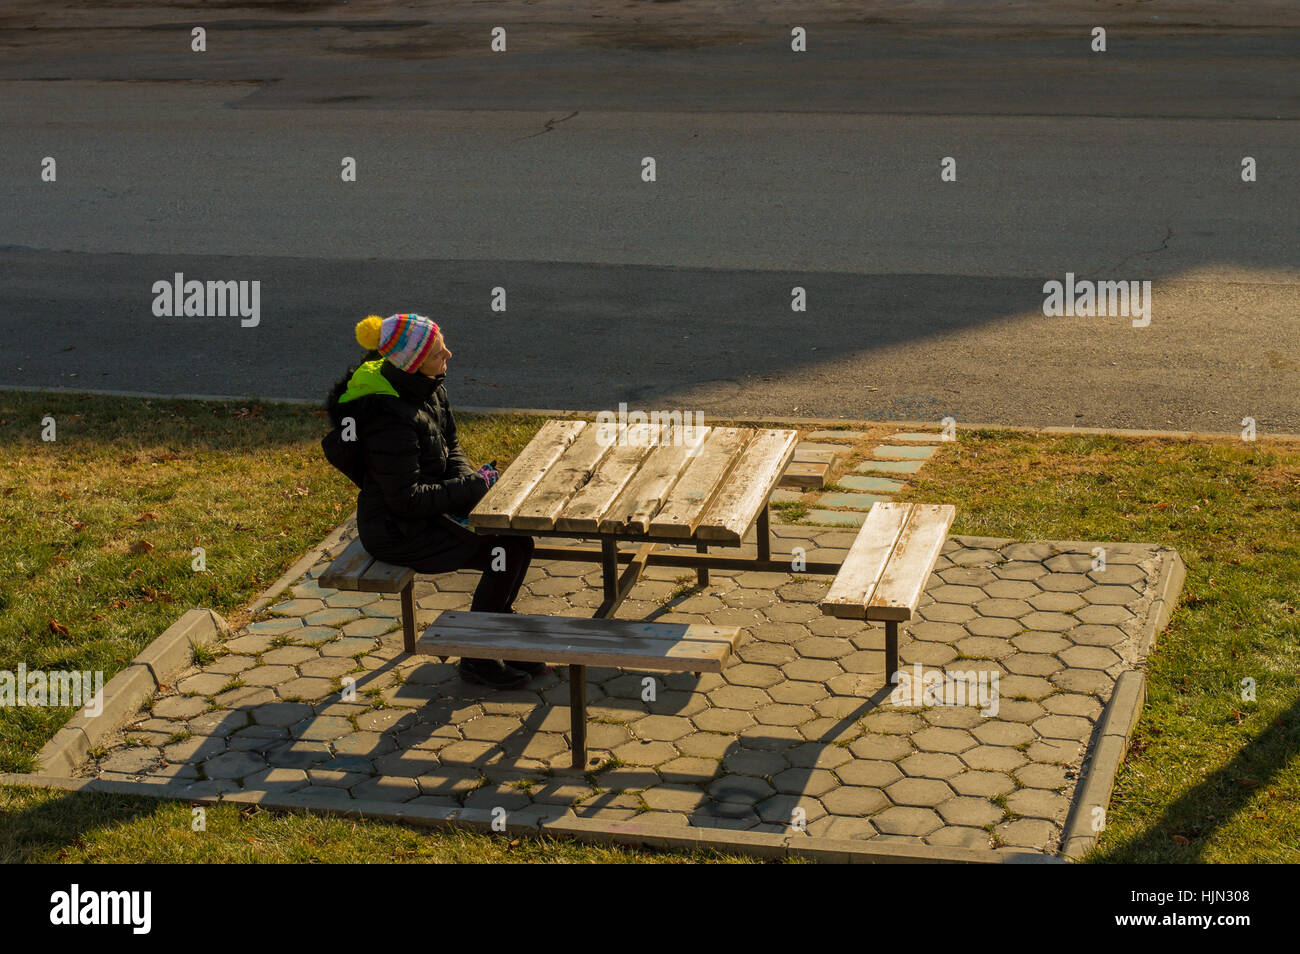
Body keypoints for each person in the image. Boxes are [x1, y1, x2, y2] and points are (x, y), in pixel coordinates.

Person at [323, 312, 540, 690]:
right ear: (413, 362)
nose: (449, 355)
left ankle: (498, 636)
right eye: (439, 353)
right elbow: (406, 499)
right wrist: (472, 489)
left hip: (430, 513)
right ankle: (478, 658)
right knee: (504, 552)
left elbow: (450, 443)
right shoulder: (389, 418)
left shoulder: (428, 385)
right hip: (397, 530)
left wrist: (467, 484)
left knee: (516, 542)